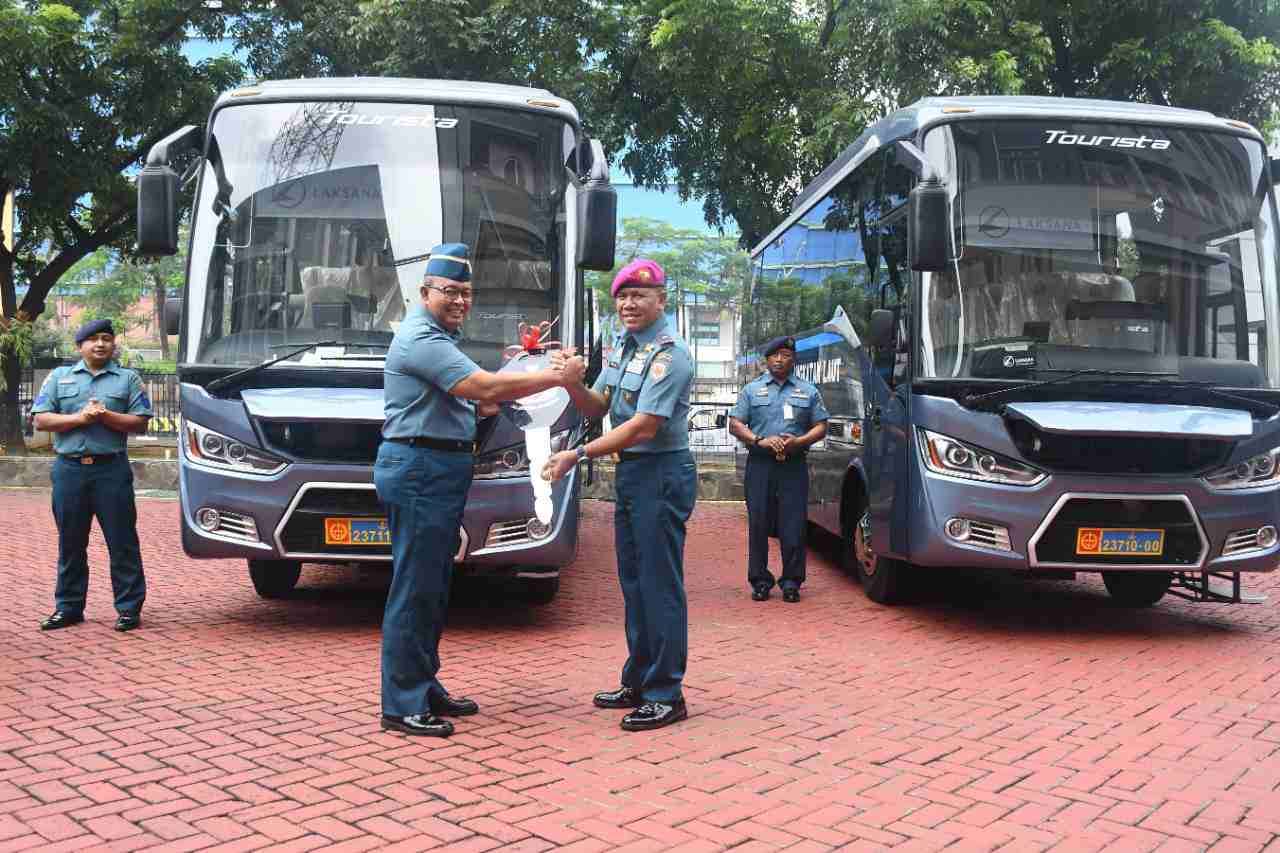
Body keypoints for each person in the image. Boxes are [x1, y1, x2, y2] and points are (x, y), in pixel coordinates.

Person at [377, 242, 584, 738]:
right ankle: (401, 701)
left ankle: (423, 685)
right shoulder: (422, 340)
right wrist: (553, 377)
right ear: (424, 292)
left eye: (466, 292)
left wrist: (503, 389)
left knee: (432, 587)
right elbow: (486, 389)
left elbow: (474, 402)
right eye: (449, 291)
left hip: (438, 468)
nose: (459, 301)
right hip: (421, 468)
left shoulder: (441, 339)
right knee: (414, 588)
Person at [543, 258, 696, 732]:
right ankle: (639, 679)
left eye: (639, 296)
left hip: (661, 473)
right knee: (634, 582)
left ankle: (667, 692)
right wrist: (570, 383)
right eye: (623, 297)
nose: (629, 304)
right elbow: (600, 405)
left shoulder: (671, 354)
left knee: (659, 583)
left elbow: (643, 427)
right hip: (633, 476)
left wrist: (578, 454)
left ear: (661, 300)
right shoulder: (626, 349)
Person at [32, 319, 153, 632]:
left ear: (114, 345)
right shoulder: (59, 378)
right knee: (70, 542)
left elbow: (141, 422)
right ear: (80, 346)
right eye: (93, 339)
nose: (100, 344)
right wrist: (79, 417)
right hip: (69, 470)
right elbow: (41, 420)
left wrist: (105, 415)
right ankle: (69, 607)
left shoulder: (128, 379)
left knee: (122, 541)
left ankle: (128, 609)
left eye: (106, 339)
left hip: (111, 470)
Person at [727, 336, 828, 603]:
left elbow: (821, 425)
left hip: (793, 466)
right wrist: (758, 440)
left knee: (793, 524)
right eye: (774, 355)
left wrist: (801, 441)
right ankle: (760, 580)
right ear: (767, 359)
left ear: (794, 359)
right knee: (758, 523)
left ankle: (792, 581)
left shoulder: (808, 391)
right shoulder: (752, 390)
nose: (780, 360)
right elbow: (735, 423)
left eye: (785, 355)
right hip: (760, 465)